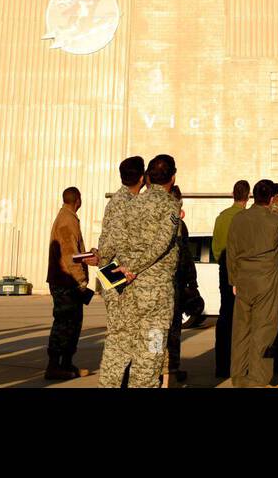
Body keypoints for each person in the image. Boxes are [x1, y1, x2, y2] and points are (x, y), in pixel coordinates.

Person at [101, 154, 182, 389]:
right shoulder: (170, 206)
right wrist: (134, 268)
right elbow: (162, 243)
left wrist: (114, 272)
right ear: (173, 177)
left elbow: (112, 242)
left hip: (126, 290)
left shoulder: (130, 203)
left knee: (118, 344)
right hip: (154, 297)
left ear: (148, 177)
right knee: (153, 348)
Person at [226, 180, 278, 387]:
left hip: (243, 281)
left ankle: (239, 376)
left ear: (253, 196)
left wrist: (233, 279)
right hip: (266, 281)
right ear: (271, 198)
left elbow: (231, 251)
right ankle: (258, 379)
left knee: (241, 331)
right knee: (264, 330)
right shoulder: (274, 219)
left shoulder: (239, 219)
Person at [91, 155, 145, 387]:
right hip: (117, 274)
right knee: (120, 336)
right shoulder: (127, 203)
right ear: (142, 178)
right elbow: (112, 243)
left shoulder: (116, 200)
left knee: (123, 333)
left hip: (112, 273)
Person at [45, 186, 92, 380]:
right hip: (66, 282)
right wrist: (80, 280)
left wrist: (88, 256)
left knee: (72, 324)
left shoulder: (67, 218)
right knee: (64, 324)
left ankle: (66, 364)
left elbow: (72, 252)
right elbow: (69, 255)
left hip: (66, 280)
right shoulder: (67, 221)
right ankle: (54, 366)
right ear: (78, 200)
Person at [211, 180, 249, 379]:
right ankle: (242, 365)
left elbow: (216, 247)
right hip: (243, 273)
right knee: (244, 319)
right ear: (248, 195)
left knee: (225, 316)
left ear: (232, 194)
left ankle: (221, 365)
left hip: (224, 269)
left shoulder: (222, 217)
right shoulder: (246, 218)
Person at [166, 184, 197, 387]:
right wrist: (192, 282)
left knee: (158, 331)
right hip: (172, 286)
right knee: (171, 330)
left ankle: (162, 368)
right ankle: (170, 369)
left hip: (160, 286)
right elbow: (185, 256)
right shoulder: (176, 223)